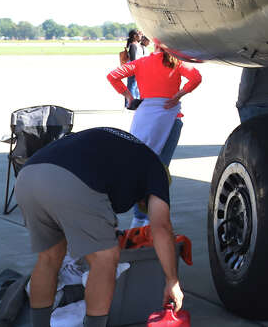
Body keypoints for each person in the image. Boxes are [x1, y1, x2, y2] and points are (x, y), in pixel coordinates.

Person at [15, 127, 183, 327]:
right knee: (105, 259)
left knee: (49, 258)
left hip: (28, 175)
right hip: (71, 180)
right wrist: (172, 280)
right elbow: (161, 227)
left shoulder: (127, 153)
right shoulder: (156, 172)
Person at [106, 44, 201, 227]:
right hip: (170, 119)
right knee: (161, 171)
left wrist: (129, 97)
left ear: (154, 45)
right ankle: (154, 218)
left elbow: (113, 76)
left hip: (145, 118)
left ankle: (139, 218)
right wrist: (178, 95)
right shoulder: (176, 62)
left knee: (140, 168)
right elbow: (196, 78)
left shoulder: (141, 62)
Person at [120, 30, 148, 103]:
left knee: (136, 86)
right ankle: (130, 103)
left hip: (137, 68)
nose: (141, 36)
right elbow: (133, 59)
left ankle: (135, 101)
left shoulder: (137, 45)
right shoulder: (133, 45)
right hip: (134, 68)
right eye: (140, 35)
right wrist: (137, 68)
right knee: (132, 86)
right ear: (135, 36)